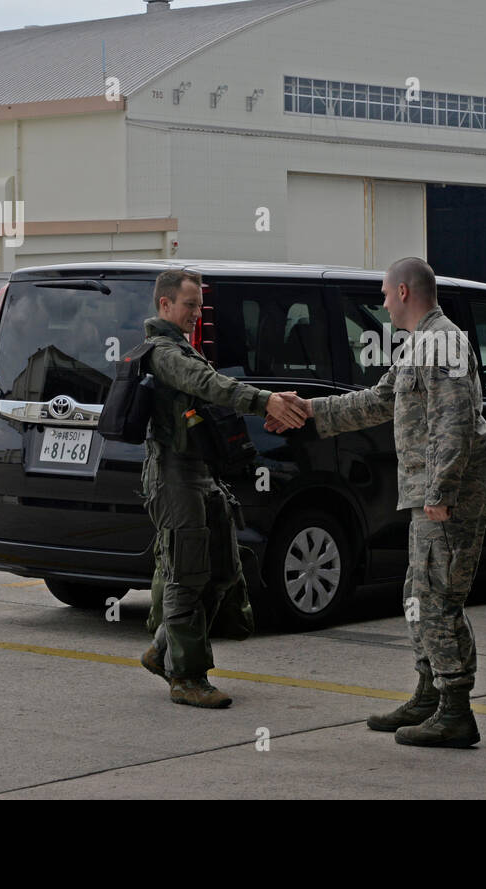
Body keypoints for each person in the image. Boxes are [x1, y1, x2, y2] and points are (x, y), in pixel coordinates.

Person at [271, 257, 486, 747]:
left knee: (438, 600)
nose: (382, 303)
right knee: (418, 597)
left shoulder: (443, 343)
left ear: (403, 293)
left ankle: (456, 710)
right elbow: (378, 401)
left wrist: (441, 492)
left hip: (448, 498)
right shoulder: (421, 344)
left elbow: (455, 423)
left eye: (384, 294)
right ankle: (429, 695)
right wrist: (309, 412)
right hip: (430, 495)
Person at [139, 268, 307, 708]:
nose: (196, 313)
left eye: (199, 305)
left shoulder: (183, 349)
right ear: (165, 305)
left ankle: (163, 651)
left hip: (201, 473)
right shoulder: (164, 353)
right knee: (185, 572)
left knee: (221, 569)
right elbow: (209, 386)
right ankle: (187, 677)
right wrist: (265, 400)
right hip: (175, 476)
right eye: (189, 305)